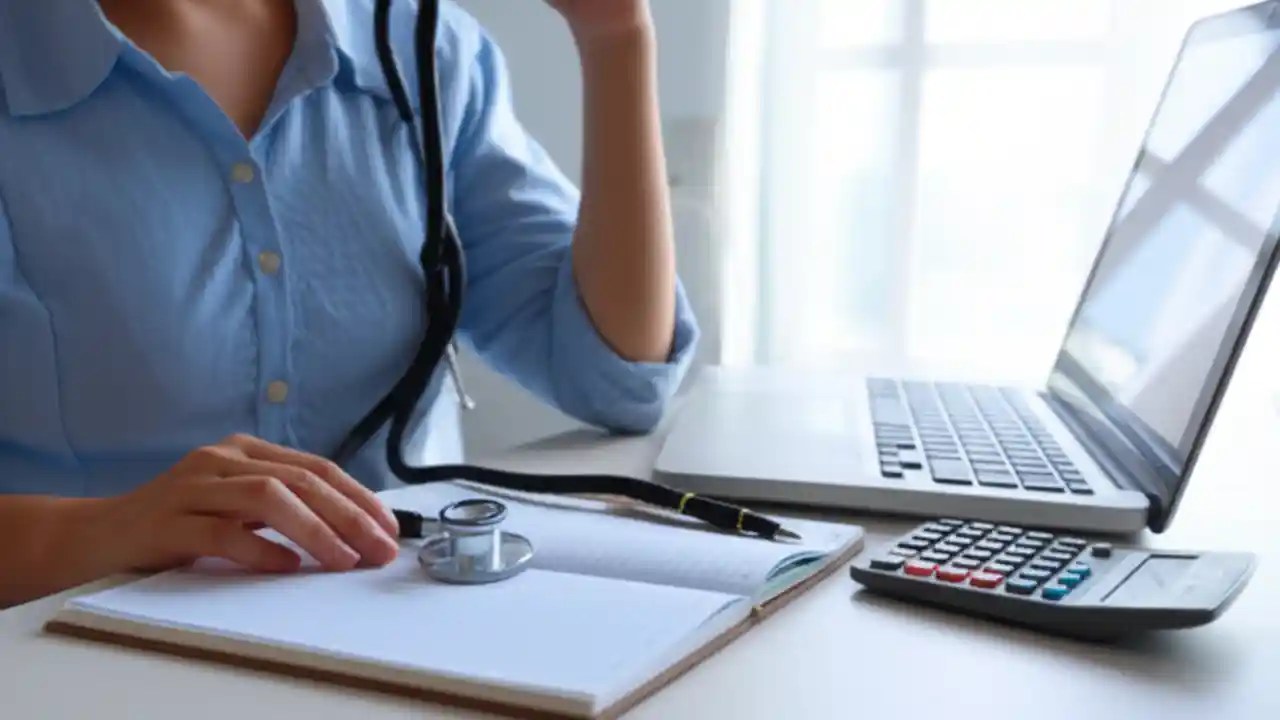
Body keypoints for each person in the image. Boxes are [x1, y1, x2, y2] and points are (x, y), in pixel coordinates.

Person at [0, 0, 699, 608]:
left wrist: (615, 35)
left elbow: (618, 378)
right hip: (83, 661)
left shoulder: (418, 49)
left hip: (404, 635)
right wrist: (101, 530)